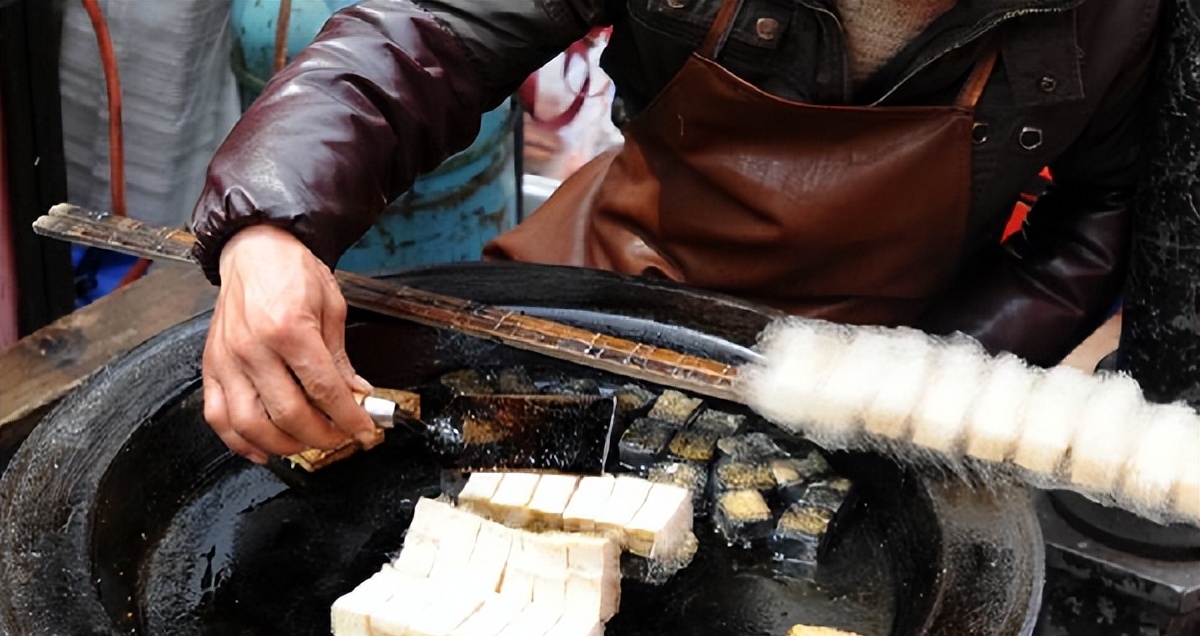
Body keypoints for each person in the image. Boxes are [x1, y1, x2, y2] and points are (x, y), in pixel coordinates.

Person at [191, 0, 1160, 464]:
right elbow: (431, 30)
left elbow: (1094, 219)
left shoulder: (1114, 18)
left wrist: (923, 392)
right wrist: (272, 221)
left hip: (859, 391)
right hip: (610, 303)